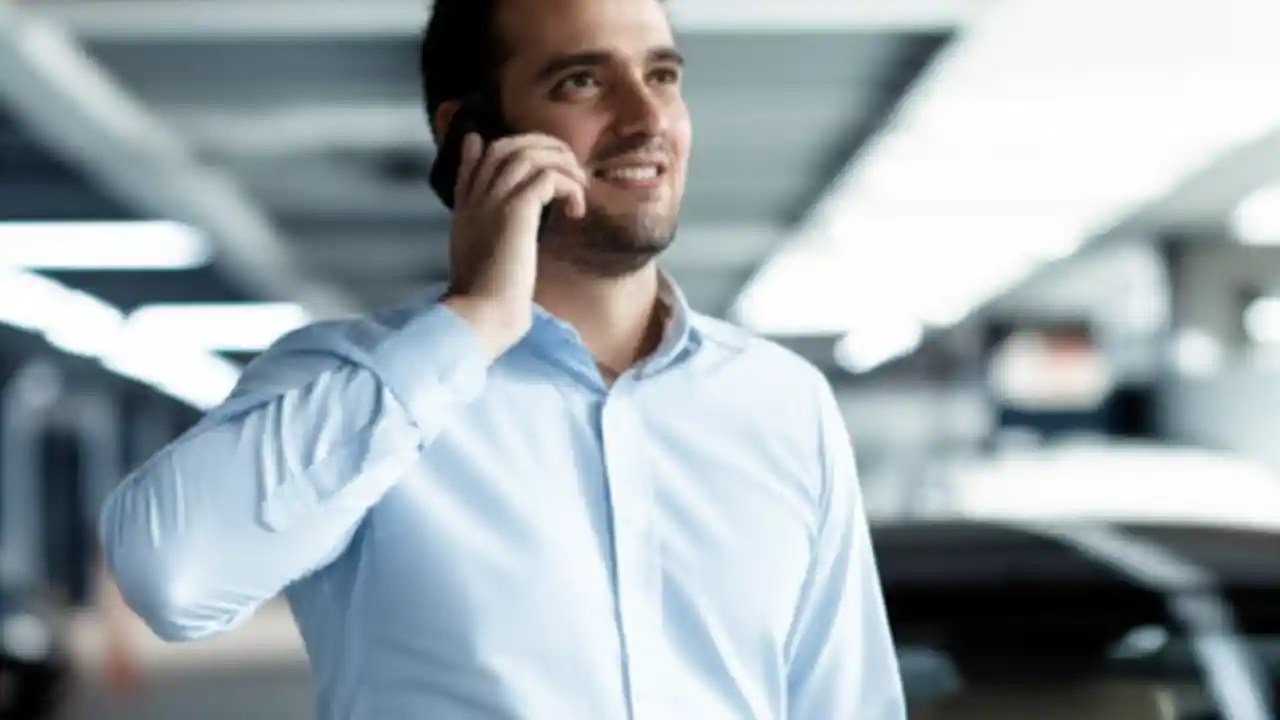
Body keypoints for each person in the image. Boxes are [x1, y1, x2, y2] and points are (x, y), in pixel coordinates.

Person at [98, 0, 906, 717]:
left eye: (661, 75)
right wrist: (475, 322)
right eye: (582, 82)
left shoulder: (782, 403)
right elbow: (172, 576)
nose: (645, 118)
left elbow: (846, 699)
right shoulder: (350, 388)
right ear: (470, 136)